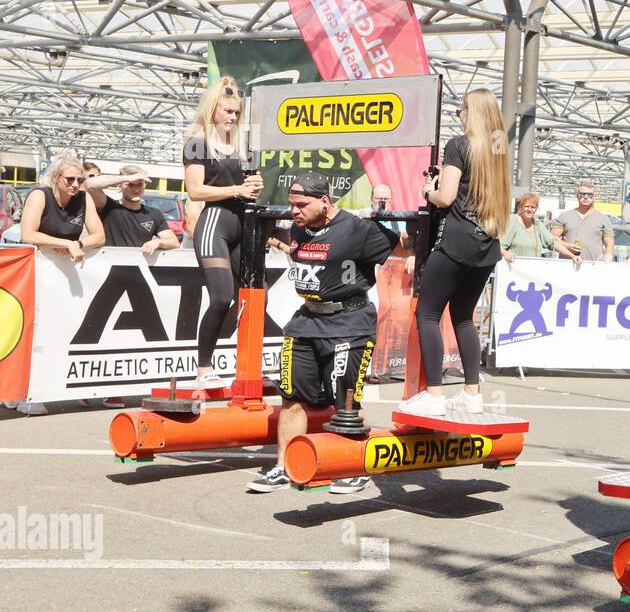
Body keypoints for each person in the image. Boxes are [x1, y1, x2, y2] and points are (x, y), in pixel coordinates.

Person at [247, 173, 399, 495]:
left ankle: (355, 466)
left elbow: (403, 247)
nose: (294, 211)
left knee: (346, 400)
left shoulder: (357, 229)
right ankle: (284, 466)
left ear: (325, 202)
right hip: (307, 321)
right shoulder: (301, 227)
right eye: (291, 205)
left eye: (302, 205)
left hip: (349, 323)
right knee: (291, 398)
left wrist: (385, 214)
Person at [397, 88, 511, 419]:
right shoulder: (499, 147)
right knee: (464, 316)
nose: (459, 115)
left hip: (456, 239)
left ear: (470, 112)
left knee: (428, 314)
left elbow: (446, 197)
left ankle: (434, 393)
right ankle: (472, 392)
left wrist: (429, 191)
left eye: (461, 110)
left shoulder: (458, 145)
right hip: (487, 243)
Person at [183, 76, 262, 391]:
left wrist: (254, 187)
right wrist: (238, 189)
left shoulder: (246, 145)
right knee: (220, 297)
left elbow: (254, 183)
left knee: (255, 298)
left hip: (243, 225)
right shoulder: (197, 142)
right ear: (212, 109)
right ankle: (203, 367)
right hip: (213, 223)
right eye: (227, 111)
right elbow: (195, 190)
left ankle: (244, 364)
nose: (232, 117)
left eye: (237, 112)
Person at [20, 152, 104, 266]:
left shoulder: (84, 198)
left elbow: (99, 236)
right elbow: (28, 235)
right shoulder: (39, 195)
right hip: (35, 265)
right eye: (70, 179)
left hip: (66, 265)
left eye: (79, 180)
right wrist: (66, 244)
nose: (75, 184)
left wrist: (77, 244)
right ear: (55, 177)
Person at [85, 166, 180, 254]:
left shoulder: (153, 213)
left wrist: (158, 242)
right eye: (130, 185)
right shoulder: (109, 206)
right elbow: (89, 184)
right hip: (109, 266)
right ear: (119, 186)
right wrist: (126, 178)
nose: (136, 190)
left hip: (140, 268)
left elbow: (174, 242)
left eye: (140, 184)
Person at [500, 192, 578, 263]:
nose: (530, 210)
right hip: (513, 270)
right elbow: (499, 246)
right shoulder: (512, 221)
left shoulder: (537, 224)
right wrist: (506, 253)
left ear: (536, 208)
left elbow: (553, 242)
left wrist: (572, 256)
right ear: (520, 207)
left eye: (533, 207)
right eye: (527, 206)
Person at [550, 180, 614, 263]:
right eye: (582, 194)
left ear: (594, 197)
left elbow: (610, 244)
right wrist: (567, 246)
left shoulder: (603, 218)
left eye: (589, 194)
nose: (586, 197)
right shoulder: (564, 216)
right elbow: (552, 239)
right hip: (567, 265)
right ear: (577, 196)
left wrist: (607, 260)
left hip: (593, 267)